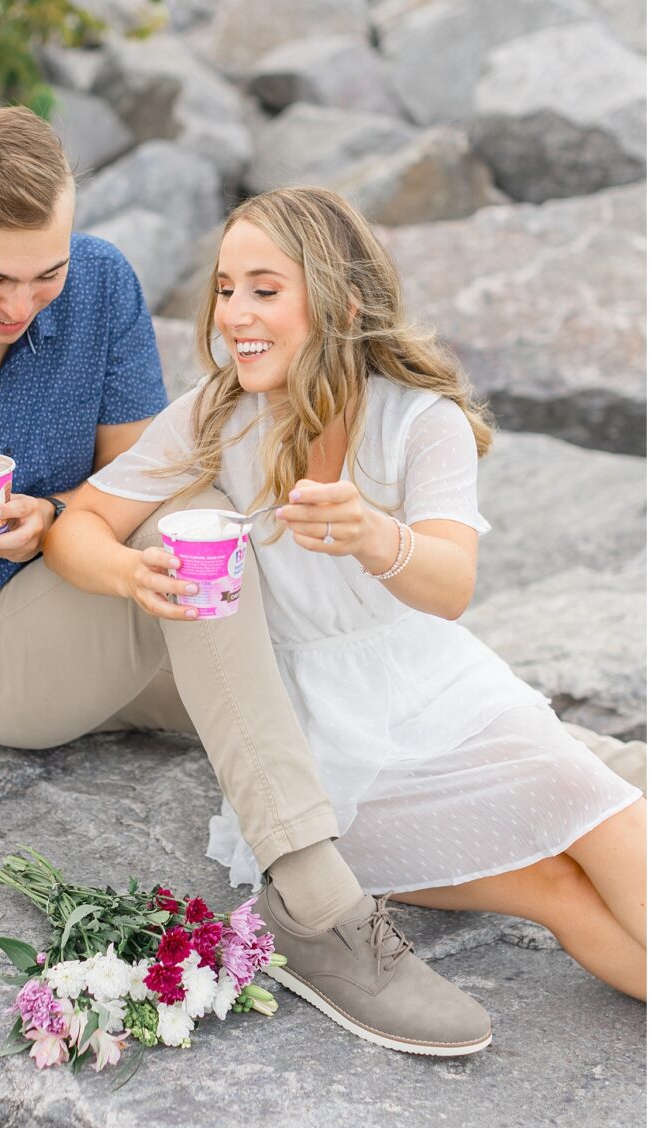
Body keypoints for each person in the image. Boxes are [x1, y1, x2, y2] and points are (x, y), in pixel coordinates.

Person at [0, 106, 491, 1056]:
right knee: (196, 535)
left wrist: (55, 520)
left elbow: (137, 476)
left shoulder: (102, 283)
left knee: (317, 676)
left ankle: (547, 768)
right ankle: (316, 906)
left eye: (46, 273)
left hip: (101, 612)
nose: (22, 305)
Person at [48, 185, 646, 1026]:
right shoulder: (216, 416)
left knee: (594, 807)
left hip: (445, 700)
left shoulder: (419, 421)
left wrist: (375, 536)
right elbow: (76, 525)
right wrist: (127, 572)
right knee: (555, 885)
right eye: (225, 289)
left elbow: (452, 585)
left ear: (342, 301)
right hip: (324, 758)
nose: (234, 314)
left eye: (264, 289)